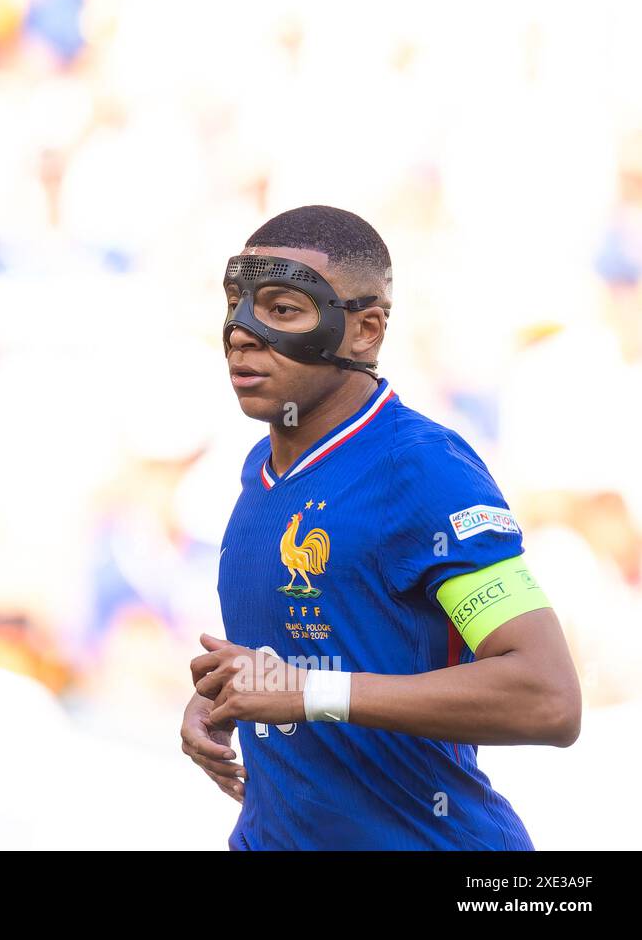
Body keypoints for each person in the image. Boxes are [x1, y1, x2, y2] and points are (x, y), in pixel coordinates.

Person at [180, 205, 580, 850]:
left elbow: (547, 697)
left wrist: (309, 692)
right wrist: (230, 696)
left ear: (365, 329)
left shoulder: (419, 469)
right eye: (237, 304)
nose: (242, 333)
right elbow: (309, 662)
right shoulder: (261, 468)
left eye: (283, 309)